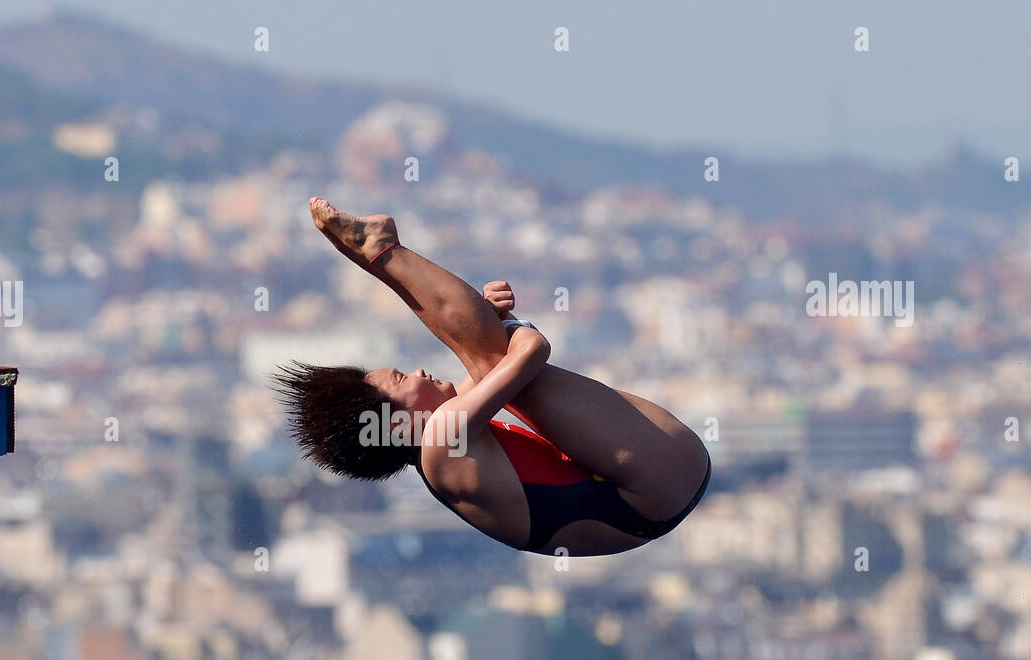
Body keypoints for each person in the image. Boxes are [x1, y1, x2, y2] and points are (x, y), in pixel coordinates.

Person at [271, 197, 711, 557]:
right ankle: (382, 252)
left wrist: (493, 319)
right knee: (487, 351)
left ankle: (380, 253)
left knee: (484, 350)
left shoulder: (444, 452)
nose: (420, 371)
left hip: (659, 492)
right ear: (395, 425)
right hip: (654, 483)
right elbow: (531, 352)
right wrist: (510, 327)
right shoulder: (442, 439)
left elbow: (490, 360)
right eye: (404, 378)